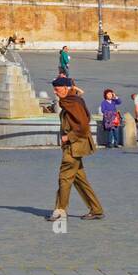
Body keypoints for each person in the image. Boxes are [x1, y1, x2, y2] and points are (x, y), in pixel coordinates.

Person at [47, 75, 104, 221]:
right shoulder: (70, 101)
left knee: (64, 178)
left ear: (66, 88)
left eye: (57, 89)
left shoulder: (74, 102)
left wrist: (69, 137)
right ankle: (96, 209)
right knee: (79, 180)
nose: (55, 91)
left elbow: (84, 125)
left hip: (74, 146)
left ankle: (60, 210)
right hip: (74, 146)